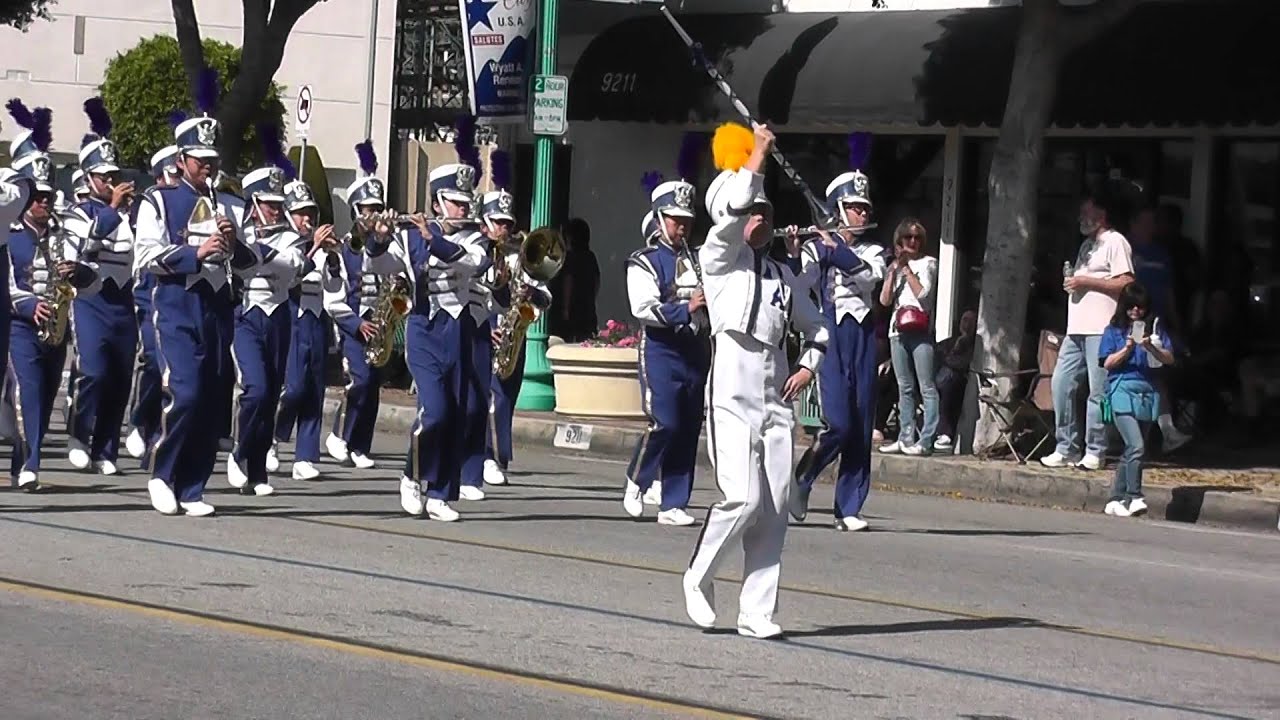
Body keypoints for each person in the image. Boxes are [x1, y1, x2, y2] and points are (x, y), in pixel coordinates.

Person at [683, 122, 827, 639]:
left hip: (775, 400)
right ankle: (698, 577)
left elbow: (819, 328)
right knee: (740, 498)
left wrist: (810, 361)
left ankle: (756, 612)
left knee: (774, 509)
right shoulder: (717, 260)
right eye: (750, 211)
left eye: (764, 211)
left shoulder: (784, 278)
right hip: (731, 393)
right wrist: (758, 153)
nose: (758, 219)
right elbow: (728, 216)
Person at [132, 70, 261, 516]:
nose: (208, 165)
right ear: (182, 159)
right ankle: (161, 472)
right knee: (183, 392)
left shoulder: (230, 203)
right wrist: (196, 251)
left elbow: (250, 263)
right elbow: (147, 255)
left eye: (212, 158)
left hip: (217, 308)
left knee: (211, 399)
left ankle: (193, 486)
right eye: (200, 159)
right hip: (175, 305)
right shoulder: (159, 200)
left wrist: (234, 242)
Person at [365, 159, 489, 521]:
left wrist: (434, 240)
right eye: (455, 202)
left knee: (458, 412)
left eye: (466, 203)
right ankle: (411, 475)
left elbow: (472, 264)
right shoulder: (409, 237)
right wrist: (380, 237)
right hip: (423, 329)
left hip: (459, 329)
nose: (462, 209)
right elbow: (379, 265)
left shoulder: (476, 237)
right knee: (434, 410)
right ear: (437, 203)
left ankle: (440, 493)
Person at [790, 138, 888, 531]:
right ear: (837, 211)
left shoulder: (875, 250)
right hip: (831, 338)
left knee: (862, 425)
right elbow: (799, 281)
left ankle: (849, 507)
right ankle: (803, 479)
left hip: (863, 338)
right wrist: (800, 250)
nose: (861, 212)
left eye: (864, 207)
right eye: (853, 207)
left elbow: (869, 278)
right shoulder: (819, 248)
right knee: (840, 424)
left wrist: (838, 250)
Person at [5, 102, 101, 491]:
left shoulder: (64, 233)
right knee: (26, 393)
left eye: (48, 196)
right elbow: (6, 285)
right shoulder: (8, 233)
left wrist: (78, 273)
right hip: (19, 326)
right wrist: (30, 305)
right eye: (38, 196)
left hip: (56, 329)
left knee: (43, 398)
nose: (45, 202)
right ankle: (29, 465)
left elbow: (91, 283)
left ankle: (25, 458)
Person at [226, 142, 319, 497]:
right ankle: (239, 452)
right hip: (245, 316)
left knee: (271, 396)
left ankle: (257, 468)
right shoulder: (240, 233)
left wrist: (255, 252)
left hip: (279, 316)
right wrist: (247, 249)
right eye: (269, 204)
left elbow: (293, 266)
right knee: (257, 388)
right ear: (253, 205)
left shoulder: (290, 237)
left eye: (280, 205)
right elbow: (235, 265)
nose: (277, 210)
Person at [623, 172, 709, 526]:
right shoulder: (643, 260)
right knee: (665, 422)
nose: (682, 226)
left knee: (689, 426)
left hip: (695, 348)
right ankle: (637, 478)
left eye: (687, 220)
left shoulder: (702, 259)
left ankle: (674, 503)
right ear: (659, 220)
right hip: (661, 349)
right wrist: (686, 308)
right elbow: (642, 308)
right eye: (675, 219)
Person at [1040, 181, 1136, 472]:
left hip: (1102, 329)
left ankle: (1097, 449)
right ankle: (1066, 446)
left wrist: (1086, 282)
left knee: (1099, 391)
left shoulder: (1116, 242)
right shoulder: (1086, 245)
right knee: (1060, 383)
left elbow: (1127, 283)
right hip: (1076, 329)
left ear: (1102, 213)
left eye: (1087, 210)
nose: (1082, 216)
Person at [66, 96, 138, 476]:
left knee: (119, 377)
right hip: (91, 299)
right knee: (92, 371)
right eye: (103, 177)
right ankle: (79, 433)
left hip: (124, 301)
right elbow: (84, 248)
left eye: (113, 175)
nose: (111, 181)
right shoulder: (80, 212)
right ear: (89, 177)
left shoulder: (131, 212)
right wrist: (111, 208)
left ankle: (106, 448)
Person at [477, 150, 552, 489]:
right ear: (485, 224)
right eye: (498, 222)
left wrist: (529, 299)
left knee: (506, 397)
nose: (505, 228)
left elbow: (544, 294)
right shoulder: (477, 252)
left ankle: (496, 457)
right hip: (484, 331)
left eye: (508, 223)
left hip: (513, 334)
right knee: (488, 397)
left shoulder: (521, 254)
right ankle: (486, 456)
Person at [271, 178, 341, 481]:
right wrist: (312, 249)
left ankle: (305, 456)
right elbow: (290, 279)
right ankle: (271, 436)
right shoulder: (283, 241)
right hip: (291, 316)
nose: (307, 219)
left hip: (316, 318)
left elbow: (334, 286)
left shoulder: (321, 246)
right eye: (300, 213)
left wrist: (335, 258)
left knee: (314, 389)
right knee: (294, 387)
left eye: (310, 212)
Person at [324, 141, 387, 471]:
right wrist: (355, 324)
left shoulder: (385, 246)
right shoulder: (345, 248)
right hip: (354, 324)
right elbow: (333, 298)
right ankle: (338, 434)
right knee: (358, 382)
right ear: (355, 212)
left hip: (381, 321)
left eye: (376, 208)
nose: (372, 216)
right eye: (366, 210)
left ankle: (361, 444)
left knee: (373, 386)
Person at [1098, 282, 1175, 517]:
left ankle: (1115, 498)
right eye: (1131, 307)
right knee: (1136, 445)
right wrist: (1128, 348)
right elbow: (1106, 363)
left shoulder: (1154, 329)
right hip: (1121, 389)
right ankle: (1134, 496)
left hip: (1147, 392)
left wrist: (1151, 347)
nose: (1135, 312)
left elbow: (1170, 359)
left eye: (1140, 308)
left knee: (1132, 450)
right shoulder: (1113, 331)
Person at [124, 145, 180, 460]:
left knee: (172, 371)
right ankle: (140, 419)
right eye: (173, 175)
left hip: (179, 293)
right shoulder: (150, 205)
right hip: (150, 291)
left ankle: (158, 437)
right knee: (154, 361)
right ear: (159, 177)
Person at [1128, 205, 1191, 452]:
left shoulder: (1161, 254)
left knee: (1158, 373)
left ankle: (1166, 431)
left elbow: (1169, 292)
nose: (1150, 228)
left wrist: (1176, 323)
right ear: (1133, 224)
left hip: (1156, 323)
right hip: (1132, 321)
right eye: (1145, 223)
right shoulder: (1126, 250)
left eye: (1153, 223)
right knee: (1131, 372)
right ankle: (1126, 433)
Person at [878, 218, 940, 456]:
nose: (912, 242)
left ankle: (926, 440)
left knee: (926, 385)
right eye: (907, 238)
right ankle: (905, 436)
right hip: (897, 330)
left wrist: (907, 269)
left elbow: (924, 296)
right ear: (899, 241)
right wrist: (893, 272)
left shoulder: (928, 264)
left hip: (920, 329)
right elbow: (884, 301)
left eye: (916, 238)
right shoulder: (894, 267)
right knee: (904, 386)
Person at [934, 309, 977, 448]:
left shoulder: (975, 346)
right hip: (940, 379)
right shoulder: (950, 342)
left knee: (949, 380)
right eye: (964, 320)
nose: (966, 324)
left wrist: (960, 346)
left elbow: (963, 364)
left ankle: (945, 433)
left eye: (970, 321)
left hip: (961, 381)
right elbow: (938, 355)